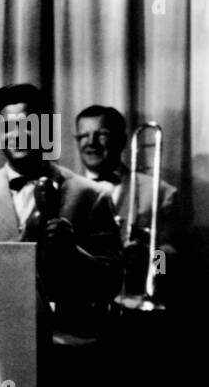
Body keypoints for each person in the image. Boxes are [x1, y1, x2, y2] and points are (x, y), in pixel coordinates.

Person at [0, 84, 121, 338]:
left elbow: (112, 283)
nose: (18, 135)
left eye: (29, 125)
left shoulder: (92, 196)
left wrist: (73, 252)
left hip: (71, 346)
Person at [74, 104, 180, 301]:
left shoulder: (160, 192)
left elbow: (168, 255)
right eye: (83, 136)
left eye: (101, 134)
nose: (91, 143)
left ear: (122, 141)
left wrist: (154, 268)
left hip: (135, 306)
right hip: (80, 309)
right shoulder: (64, 190)